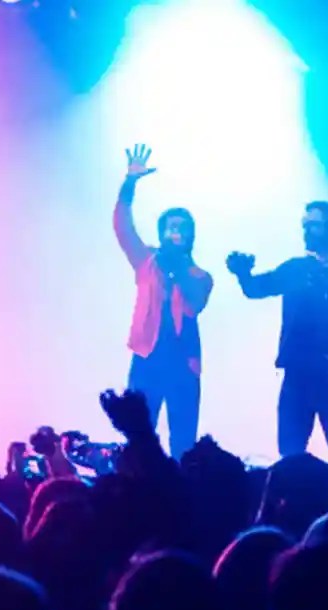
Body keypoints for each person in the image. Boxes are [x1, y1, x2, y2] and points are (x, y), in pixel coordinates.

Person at [226, 201, 328, 462]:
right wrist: (243, 274)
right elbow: (256, 289)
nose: (306, 231)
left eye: (313, 225)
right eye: (304, 225)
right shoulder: (295, 269)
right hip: (298, 375)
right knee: (290, 454)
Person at [112, 144, 214, 461]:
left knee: (183, 440)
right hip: (147, 359)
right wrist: (130, 182)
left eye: (182, 228)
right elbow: (122, 226)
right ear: (161, 231)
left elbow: (194, 305)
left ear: (191, 236)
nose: (176, 232)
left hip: (183, 364)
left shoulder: (200, 276)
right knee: (139, 436)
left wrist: (178, 267)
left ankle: (181, 498)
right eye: (171, 227)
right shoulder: (147, 262)